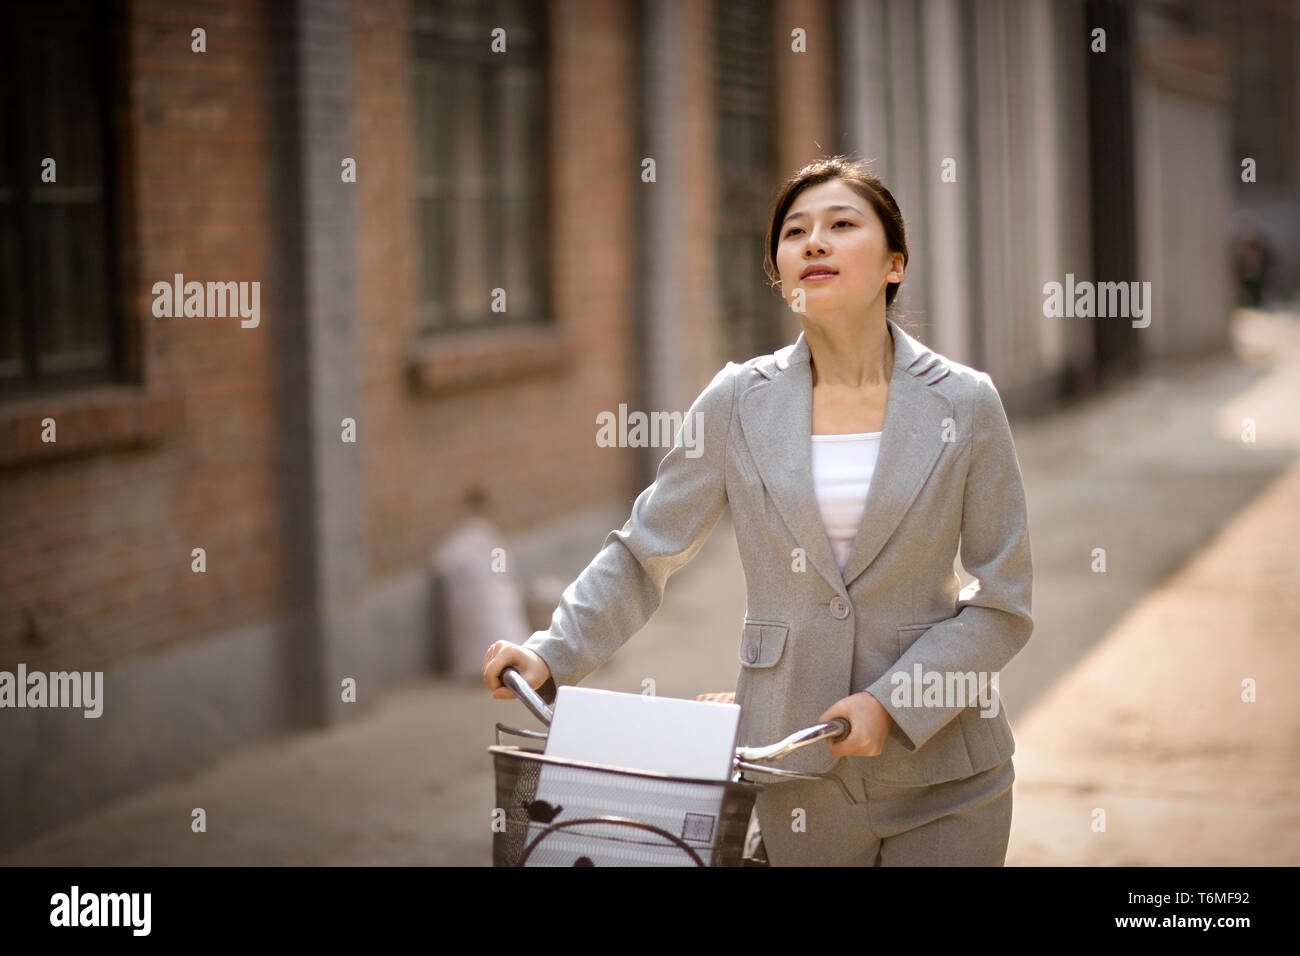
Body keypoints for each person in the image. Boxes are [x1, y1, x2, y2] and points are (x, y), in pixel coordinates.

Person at [484, 155, 1033, 866]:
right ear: (779, 272)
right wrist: (552, 651)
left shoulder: (965, 402)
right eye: (794, 232)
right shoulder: (737, 401)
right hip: (793, 773)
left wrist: (894, 703)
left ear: (894, 263)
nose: (814, 242)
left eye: (841, 225)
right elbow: (644, 553)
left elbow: (1002, 602)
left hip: (947, 775)